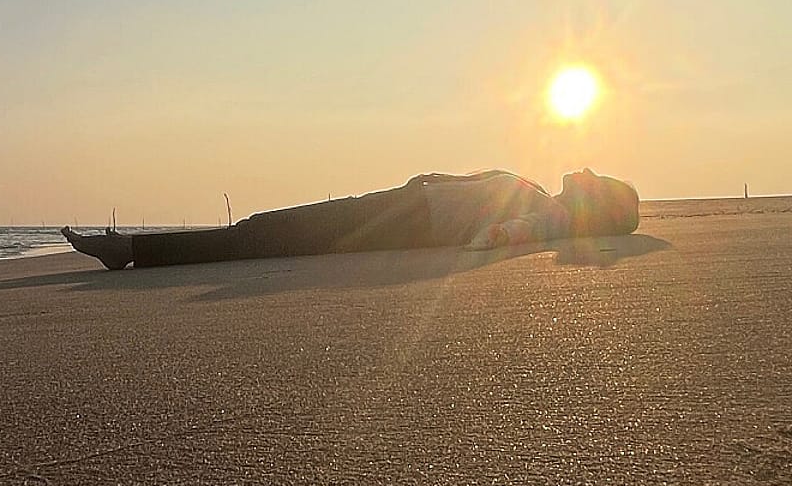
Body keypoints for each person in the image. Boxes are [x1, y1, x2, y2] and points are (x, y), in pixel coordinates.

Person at [60, 168, 640, 270]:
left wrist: (487, 238)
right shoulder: (542, 196)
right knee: (267, 230)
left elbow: (509, 231)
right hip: (406, 209)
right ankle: (135, 247)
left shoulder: (552, 217)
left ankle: (131, 249)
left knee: (267, 234)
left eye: (596, 179)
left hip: (407, 223)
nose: (585, 168)